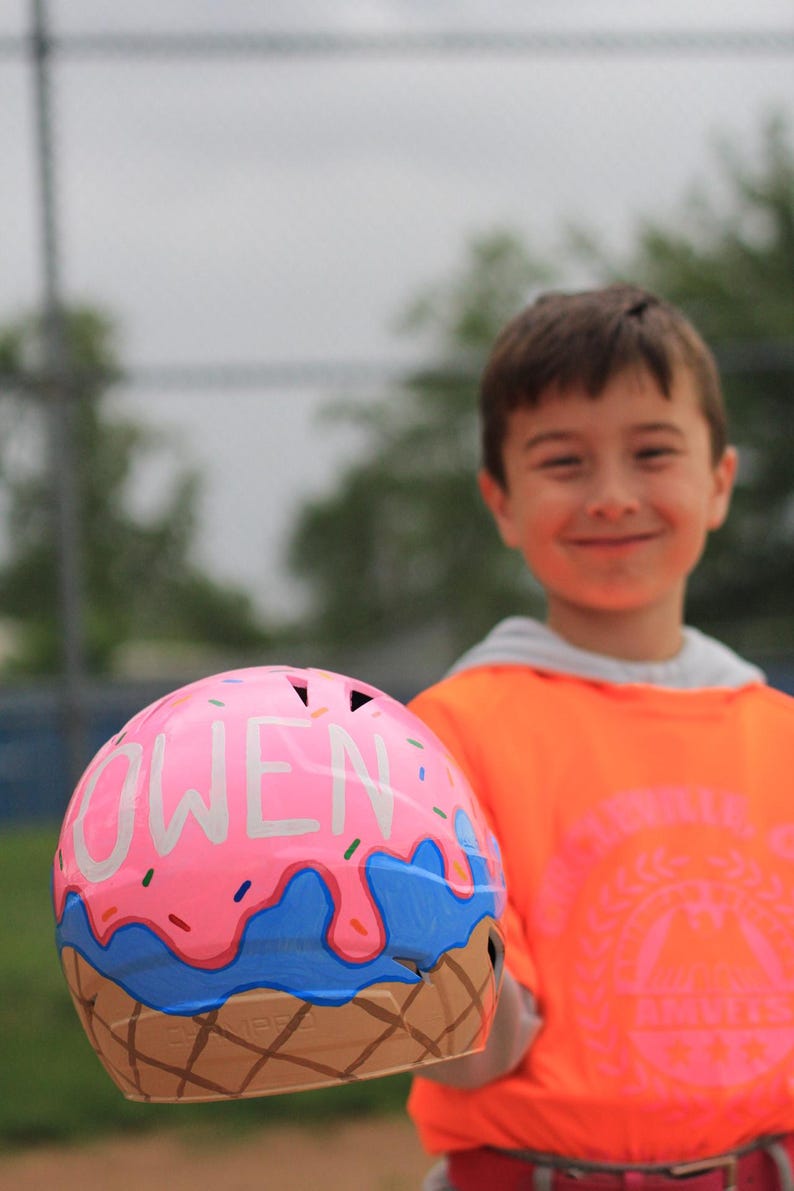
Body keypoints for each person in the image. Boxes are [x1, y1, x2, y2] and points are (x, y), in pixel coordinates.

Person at [406, 284, 794, 1191]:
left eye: (653, 451)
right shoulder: (450, 734)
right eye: (563, 462)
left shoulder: (778, 733)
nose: (613, 497)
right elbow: (469, 1054)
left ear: (720, 481)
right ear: (500, 500)